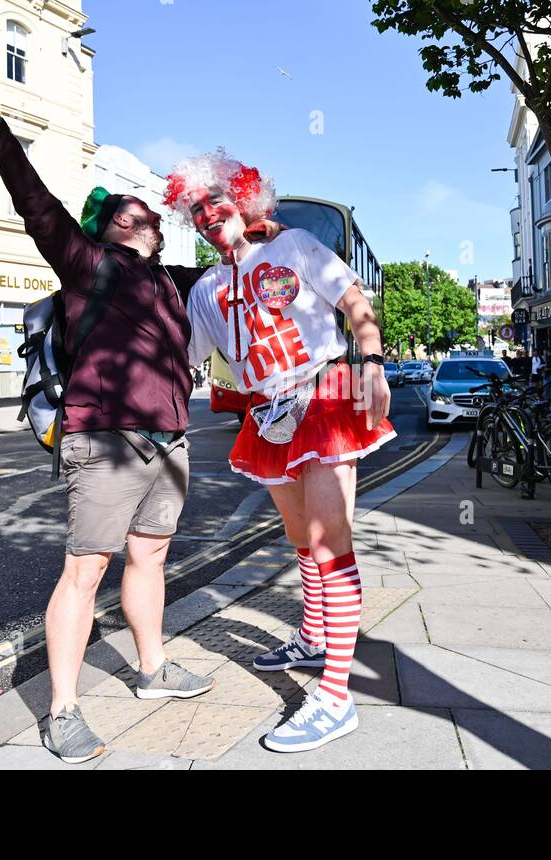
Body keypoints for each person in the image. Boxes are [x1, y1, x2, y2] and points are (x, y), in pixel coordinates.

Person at [0, 69, 283, 764]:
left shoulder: (175, 281)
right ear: (106, 227)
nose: (143, 214)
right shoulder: (87, 263)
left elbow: (245, 264)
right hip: (106, 438)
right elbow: (37, 205)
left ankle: (151, 671)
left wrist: (245, 210)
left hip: (168, 441)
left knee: (149, 558)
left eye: (148, 211)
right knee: (85, 570)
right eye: (127, 210)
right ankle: (62, 709)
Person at [170, 150, 394, 753]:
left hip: (323, 395)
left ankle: (334, 698)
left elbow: (356, 306)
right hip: (265, 412)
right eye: (196, 208)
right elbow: (181, 360)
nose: (208, 215)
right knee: (301, 543)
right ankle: (311, 636)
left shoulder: (294, 247)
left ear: (244, 201)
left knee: (329, 545)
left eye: (217, 201)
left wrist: (371, 362)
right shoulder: (208, 287)